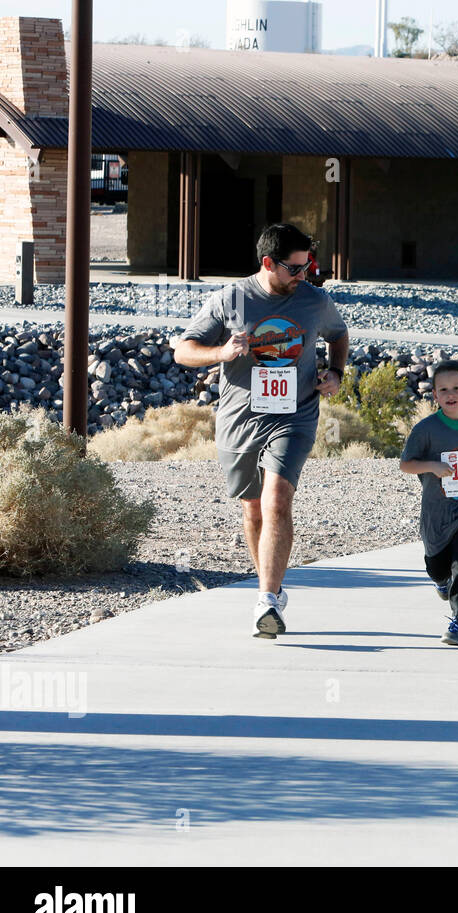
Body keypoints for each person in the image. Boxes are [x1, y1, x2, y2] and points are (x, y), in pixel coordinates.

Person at [175, 222, 348, 638]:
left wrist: (336, 372)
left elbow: (339, 334)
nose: (303, 275)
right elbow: (183, 350)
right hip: (240, 420)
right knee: (253, 508)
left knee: (277, 501)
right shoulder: (230, 299)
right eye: (295, 268)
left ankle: (267, 600)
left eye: (308, 266)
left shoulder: (314, 300)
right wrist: (222, 352)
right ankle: (269, 588)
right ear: (268, 263)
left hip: (295, 416)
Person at [400, 360, 458, 645]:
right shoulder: (426, 429)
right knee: (437, 567)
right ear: (435, 395)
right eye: (443, 390)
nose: (450, 394)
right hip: (437, 513)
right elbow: (406, 464)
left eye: (456, 388)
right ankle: (441, 582)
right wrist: (432, 466)